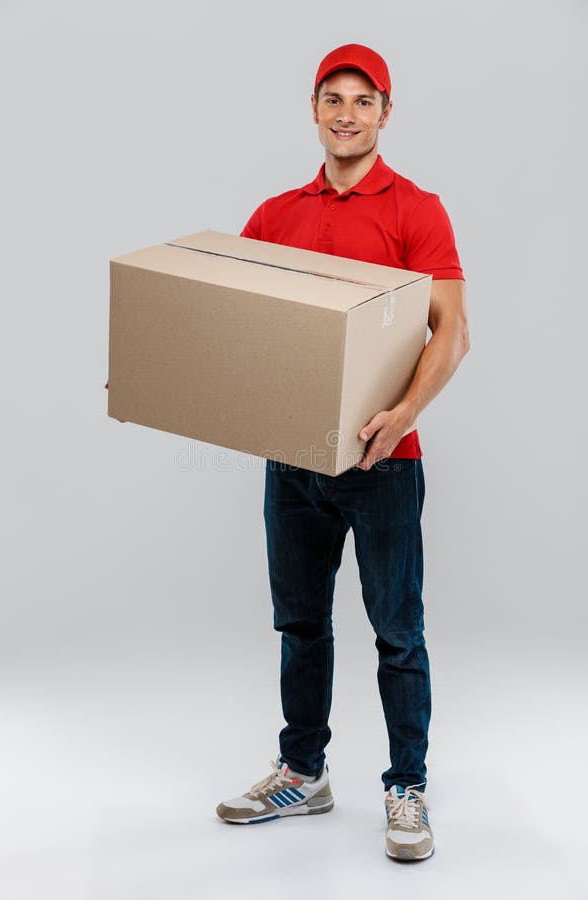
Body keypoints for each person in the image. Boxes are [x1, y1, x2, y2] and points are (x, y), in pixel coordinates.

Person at [216, 43, 469, 862]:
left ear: (385, 114)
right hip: (293, 462)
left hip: (385, 461)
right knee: (300, 622)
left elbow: (452, 333)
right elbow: (239, 325)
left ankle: (405, 788)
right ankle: (303, 772)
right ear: (315, 110)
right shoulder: (276, 214)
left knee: (397, 630)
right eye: (334, 98)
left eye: (365, 100)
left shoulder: (416, 208)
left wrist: (401, 416)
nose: (348, 113)